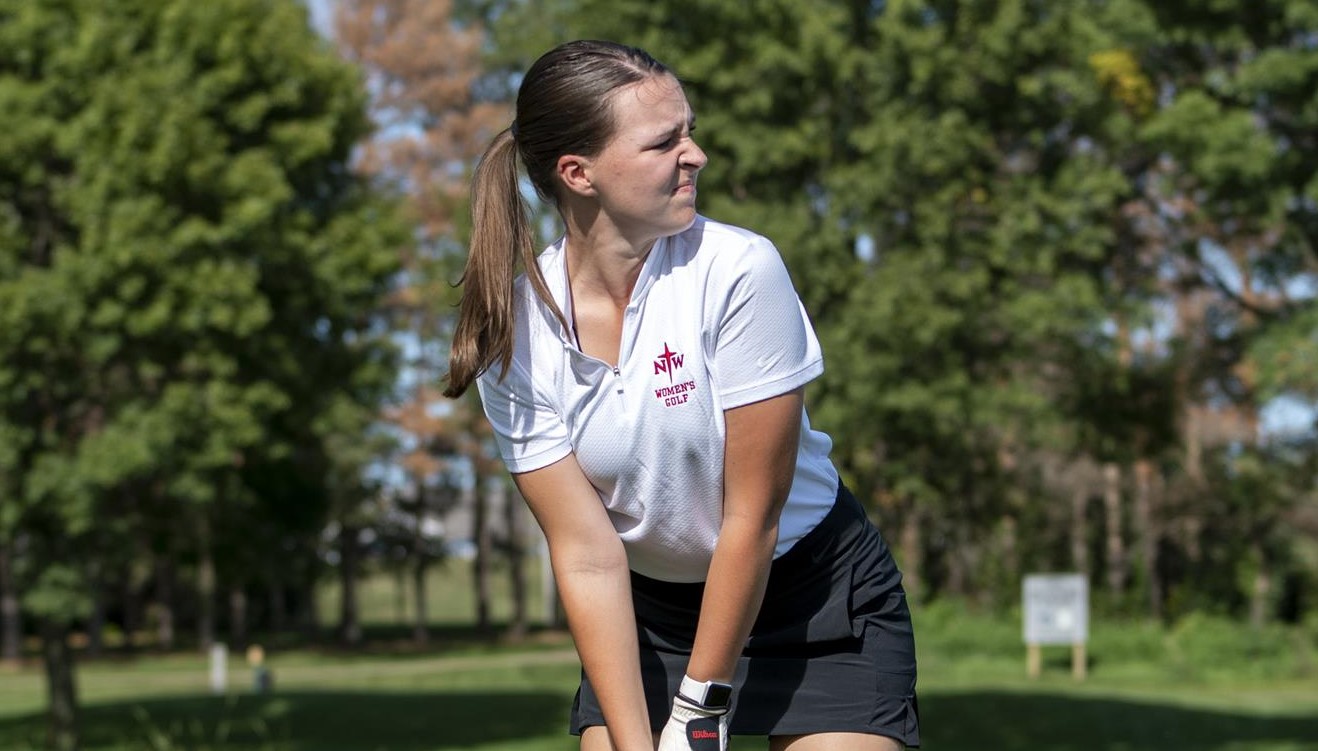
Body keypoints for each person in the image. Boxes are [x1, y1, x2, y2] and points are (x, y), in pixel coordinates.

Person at [444, 40, 919, 751]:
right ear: (578, 173)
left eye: (688, 132)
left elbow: (751, 518)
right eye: (664, 142)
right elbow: (586, 554)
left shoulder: (740, 270)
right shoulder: (515, 332)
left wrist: (698, 714)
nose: (695, 155)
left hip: (815, 598)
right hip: (651, 618)